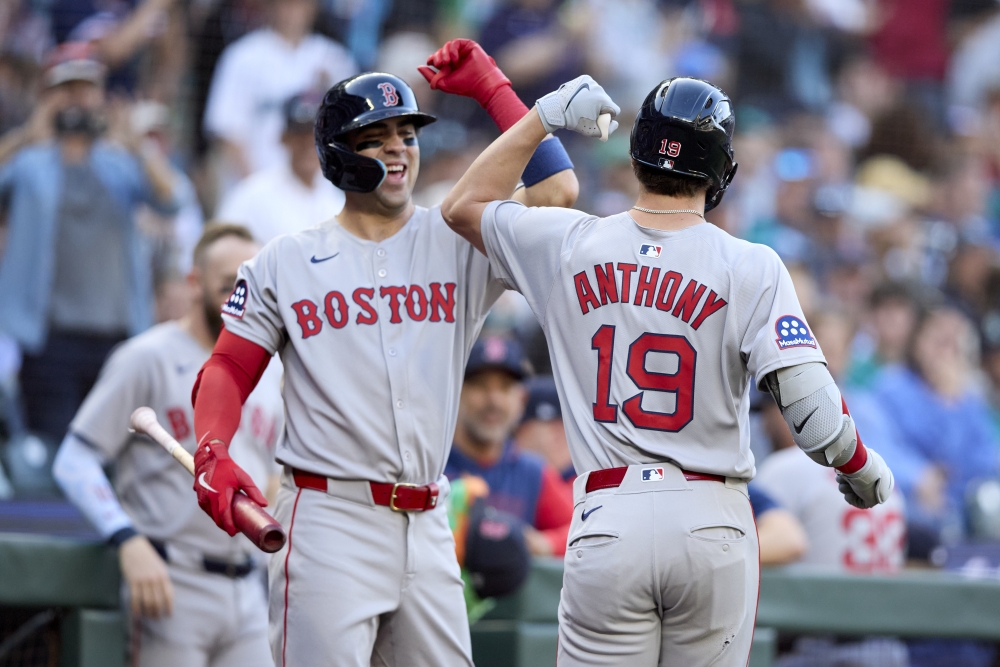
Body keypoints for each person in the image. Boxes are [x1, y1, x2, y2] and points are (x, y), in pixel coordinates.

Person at [441, 74, 894, 665]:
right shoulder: (749, 263)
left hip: (608, 515)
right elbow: (812, 410)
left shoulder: (569, 243)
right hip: (712, 519)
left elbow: (461, 207)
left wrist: (543, 116)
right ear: (721, 167)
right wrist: (859, 469)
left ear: (636, 154)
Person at [189, 39, 579, 667]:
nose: (399, 146)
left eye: (408, 132)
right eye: (377, 135)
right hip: (329, 518)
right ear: (338, 154)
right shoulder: (285, 259)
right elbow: (230, 368)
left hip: (429, 520)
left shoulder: (457, 234)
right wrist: (212, 445)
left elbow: (559, 191)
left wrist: (492, 87)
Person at [52, 224, 283, 667]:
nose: (241, 295)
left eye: (251, 284)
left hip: (249, 587)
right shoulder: (146, 356)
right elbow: (74, 460)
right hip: (171, 580)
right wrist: (126, 539)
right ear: (194, 282)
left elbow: (272, 477)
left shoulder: (268, 369)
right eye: (228, 283)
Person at [0, 42, 179, 444]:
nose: (78, 98)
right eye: (67, 88)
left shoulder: (120, 161)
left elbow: (172, 201)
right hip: (48, 337)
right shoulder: (29, 162)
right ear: (49, 95)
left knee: (111, 455)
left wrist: (137, 143)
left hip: (116, 335)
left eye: (86, 87)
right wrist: (30, 132)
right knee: (52, 454)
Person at [446, 336, 574, 557]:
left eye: (505, 388)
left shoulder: (534, 473)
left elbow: (582, 532)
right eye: (481, 386)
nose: (493, 400)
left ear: (522, 400)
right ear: (457, 392)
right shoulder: (431, 465)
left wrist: (543, 543)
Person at [202, 0, 355, 184]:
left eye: (300, 4)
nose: (292, 11)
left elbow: (348, 133)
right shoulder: (242, 56)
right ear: (270, 6)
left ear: (313, 7)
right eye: (285, 4)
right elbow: (227, 132)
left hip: (317, 192)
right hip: (255, 184)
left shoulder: (334, 58)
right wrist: (257, 188)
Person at [216, 91, 344, 243]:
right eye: (301, 134)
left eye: (317, 136)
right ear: (283, 137)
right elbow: (220, 253)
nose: (309, 144)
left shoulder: (337, 198)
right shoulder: (252, 195)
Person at [515, 374, 576, 482]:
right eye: (551, 424)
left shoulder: (592, 487)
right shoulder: (501, 480)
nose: (561, 433)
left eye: (567, 425)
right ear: (521, 431)